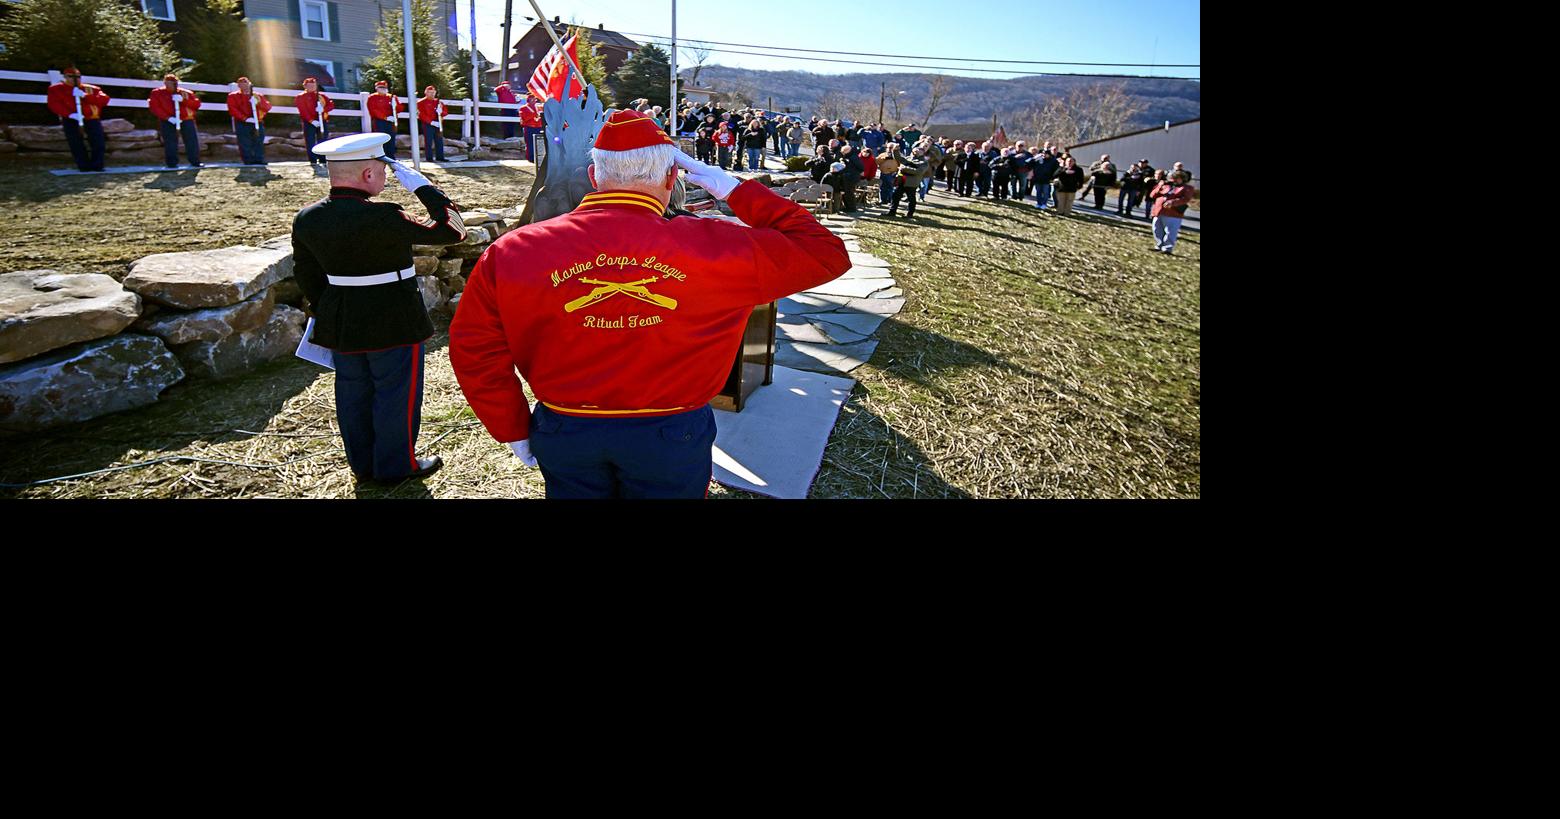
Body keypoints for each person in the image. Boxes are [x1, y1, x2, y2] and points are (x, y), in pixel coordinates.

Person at [446, 110, 850, 499]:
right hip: (671, 433)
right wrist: (732, 188)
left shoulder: (513, 250)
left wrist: (512, 426)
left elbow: (475, 349)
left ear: (593, 177)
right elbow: (825, 252)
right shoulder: (720, 246)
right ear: (673, 176)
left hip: (565, 429)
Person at [290, 132, 468, 485]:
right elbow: (453, 230)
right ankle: (396, 466)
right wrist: (423, 187)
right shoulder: (387, 216)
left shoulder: (307, 218)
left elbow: (306, 275)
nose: (387, 179)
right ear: (368, 175)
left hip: (342, 320)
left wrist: (331, 310)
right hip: (394, 320)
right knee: (395, 395)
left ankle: (363, 465)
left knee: (353, 393)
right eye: (384, 172)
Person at [47, 67, 110, 172]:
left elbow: (104, 100)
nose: (75, 79)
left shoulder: (92, 89)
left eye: (77, 77)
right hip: (71, 118)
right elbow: (54, 104)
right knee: (76, 143)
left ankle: (97, 165)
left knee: (98, 142)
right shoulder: (56, 89)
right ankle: (84, 166)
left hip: (91, 118)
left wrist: (85, 96)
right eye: (71, 77)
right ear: (65, 77)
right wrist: (70, 114)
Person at [147, 73, 201, 169]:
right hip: (168, 120)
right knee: (170, 141)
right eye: (167, 83)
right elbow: (155, 107)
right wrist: (168, 118)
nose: (170, 85)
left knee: (191, 140)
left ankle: (195, 161)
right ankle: (172, 163)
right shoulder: (157, 93)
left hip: (186, 119)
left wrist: (183, 100)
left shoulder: (186, 93)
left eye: (172, 83)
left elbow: (196, 105)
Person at [227, 76, 272, 165]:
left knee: (258, 140)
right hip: (242, 122)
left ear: (249, 84)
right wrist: (245, 118)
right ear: (238, 86)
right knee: (244, 142)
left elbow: (268, 107)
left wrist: (258, 102)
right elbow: (233, 109)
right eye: (241, 84)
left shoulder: (257, 96)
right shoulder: (233, 96)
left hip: (257, 121)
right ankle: (248, 160)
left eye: (245, 83)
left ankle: (259, 159)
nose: (244, 85)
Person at [1149, 171, 1195, 254]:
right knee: (1156, 229)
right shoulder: (1165, 185)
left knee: (1170, 231)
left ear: (1182, 179)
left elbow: (1186, 199)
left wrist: (1173, 202)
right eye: (1172, 178)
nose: (1173, 180)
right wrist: (1160, 186)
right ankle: (1159, 245)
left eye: (1176, 178)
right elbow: (1152, 195)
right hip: (1159, 211)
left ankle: (1167, 248)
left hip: (1173, 213)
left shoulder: (1187, 188)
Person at [295, 76, 334, 168]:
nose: (312, 87)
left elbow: (331, 105)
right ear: (305, 86)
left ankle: (322, 158)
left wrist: (323, 109)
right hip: (309, 122)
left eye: (314, 85)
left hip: (322, 120)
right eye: (310, 86)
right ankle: (312, 160)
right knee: (310, 141)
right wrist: (311, 121)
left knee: (323, 140)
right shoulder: (301, 97)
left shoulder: (321, 96)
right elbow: (303, 111)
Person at [887, 148, 926, 218]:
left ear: (922, 153)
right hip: (901, 181)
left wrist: (905, 169)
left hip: (911, 183)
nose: (915, 152)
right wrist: (895, 150)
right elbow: (899, 158)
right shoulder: (908, 158)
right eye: (914, 150)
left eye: (918, 151)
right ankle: (892, 212)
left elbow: (918, 171)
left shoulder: (923, 162)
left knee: (911, 199)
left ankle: (910, 214)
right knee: (895, 196)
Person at [416, 86, 448, 162]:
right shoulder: (421, 102)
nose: (432, 94)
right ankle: (429, 158)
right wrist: (431, 122)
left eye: (433, 92)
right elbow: (421, 115)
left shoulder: (439, 102)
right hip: (427, 124)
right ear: (426, 93)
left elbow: (445, 112)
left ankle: (440, 157)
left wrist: (441, 112)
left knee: (439, 141)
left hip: (438, 123)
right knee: (428, 141)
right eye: (430, 92)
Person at [519, 92, 544, 161]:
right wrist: (534, 114)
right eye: (531, 99)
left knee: (539, 143)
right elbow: (525, 118)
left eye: (534, 99)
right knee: (530, 144)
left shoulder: (538, 107)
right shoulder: (523, 108)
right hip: (529, 128)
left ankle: (539, 157)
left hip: (538, 127)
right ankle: (530, 158)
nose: (534, 100)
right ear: (528, 100)